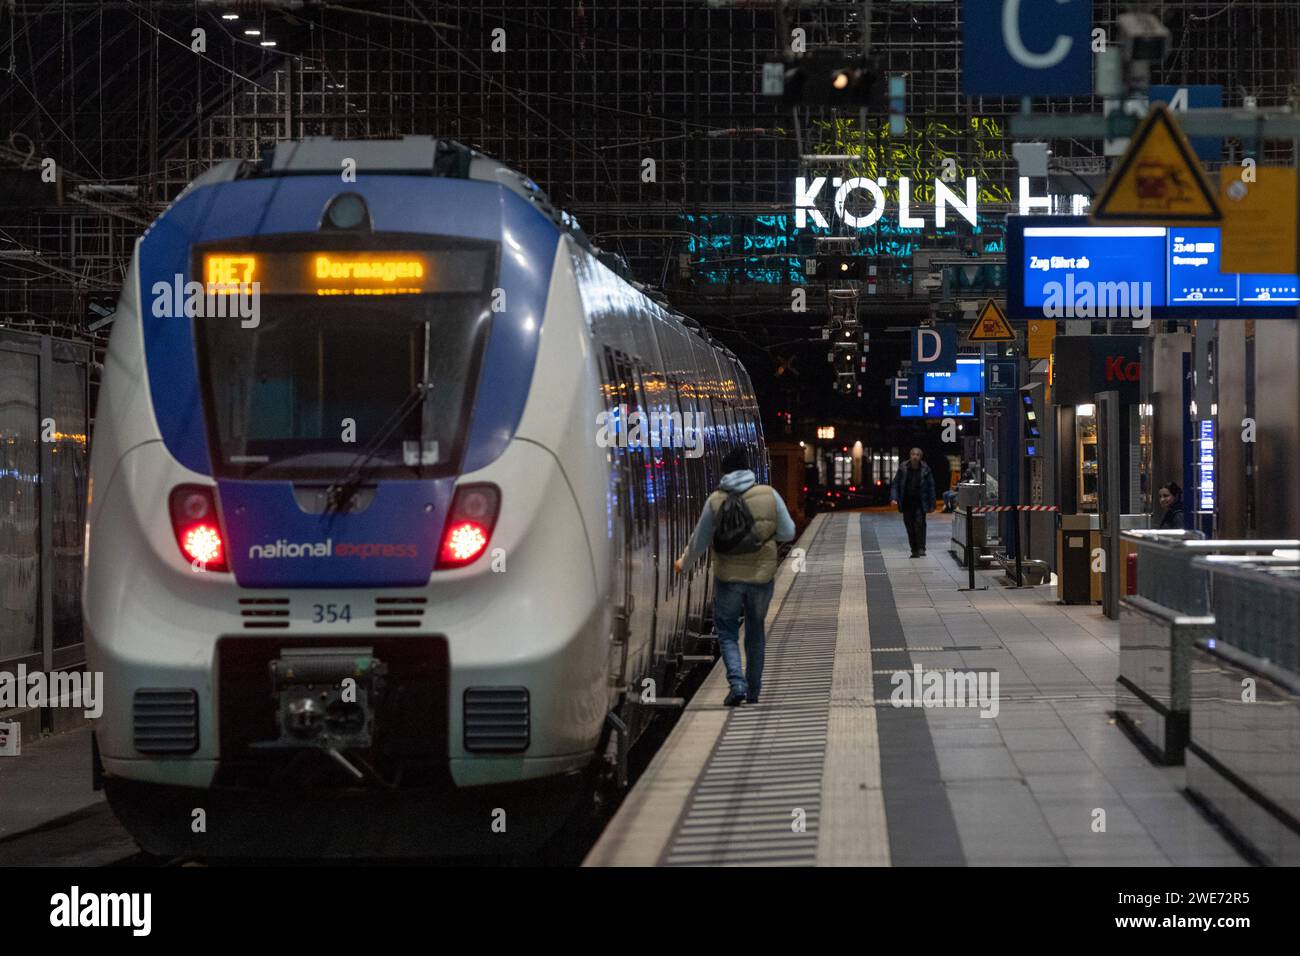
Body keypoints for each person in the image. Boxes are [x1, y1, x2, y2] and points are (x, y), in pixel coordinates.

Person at [675, 447, 796, 707]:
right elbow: (788, 532)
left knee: (727, 631)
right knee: (755, 631)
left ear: (725, 472)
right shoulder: (769, 495)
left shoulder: (716, 500)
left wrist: (684, 564)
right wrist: (763, 538)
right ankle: (753, 691)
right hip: (761, 578)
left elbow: (700, 540)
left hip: (728, 578)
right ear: (749, 469)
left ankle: (736, 683)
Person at [890, 447, 936, 558]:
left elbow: (931, 486)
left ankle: (921, 548)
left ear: (921, 457)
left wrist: (932, 503)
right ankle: (914, 549)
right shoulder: (903, 468)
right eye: (913, 454)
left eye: (917, 455)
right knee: (909, 526)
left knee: (919, 525)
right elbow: (895, 484)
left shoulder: (925, 469)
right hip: (906, 502)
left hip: (920, 502)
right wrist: (894, 498)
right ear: (910, 456)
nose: (915, 456)